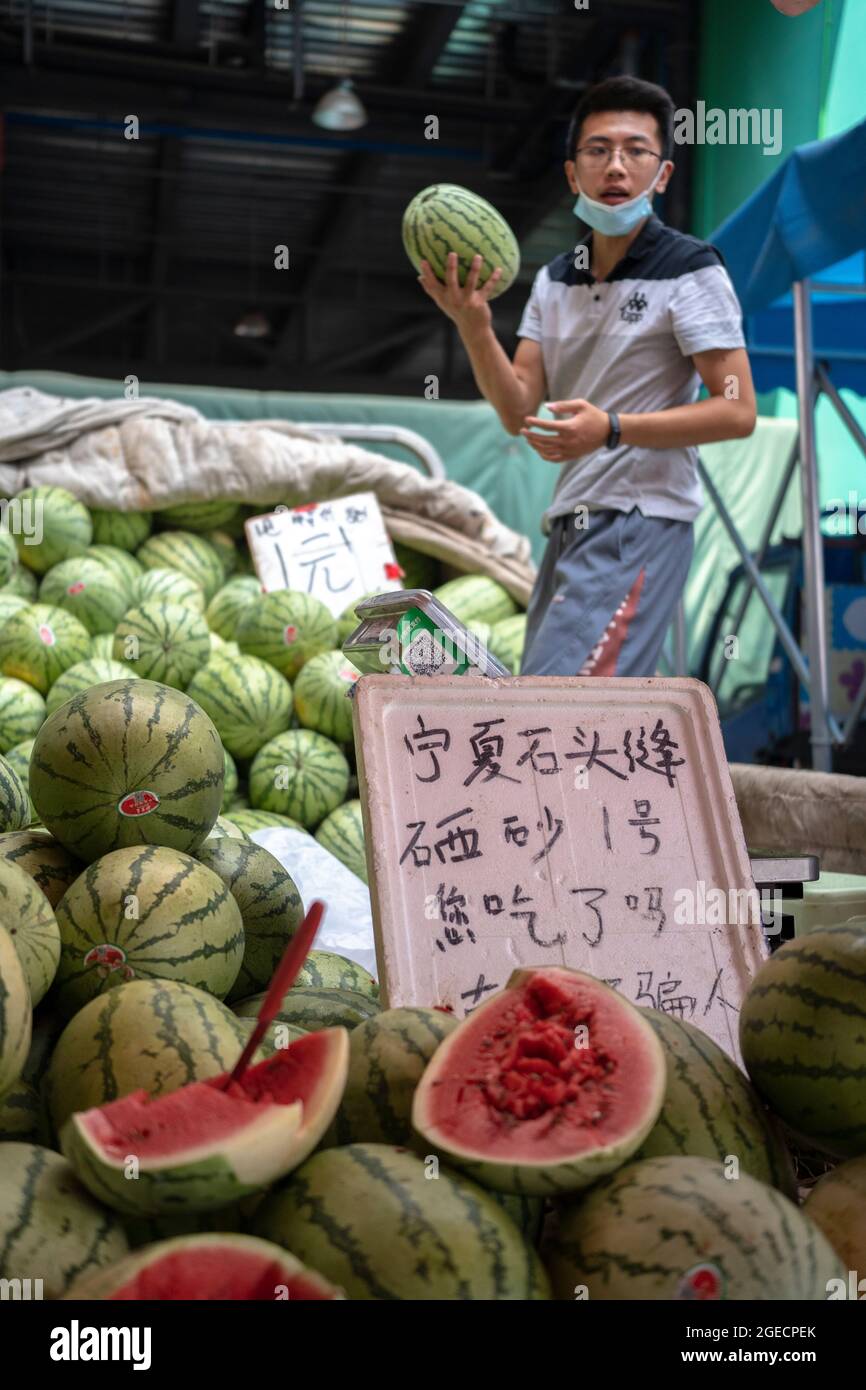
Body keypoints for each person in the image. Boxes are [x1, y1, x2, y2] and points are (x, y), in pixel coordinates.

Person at [417, 76, 756, 677]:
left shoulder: (691, 269)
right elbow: (518, 410)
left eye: (636, 151)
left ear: (664, 174)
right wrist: (472, 324)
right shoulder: (554, 280)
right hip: (570, 520)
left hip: (639, 518)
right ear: (573, 174)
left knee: (562, 708)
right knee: (567, 713)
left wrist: (613, 429)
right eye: (598, 150)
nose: (616, 166)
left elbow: (737, 411)